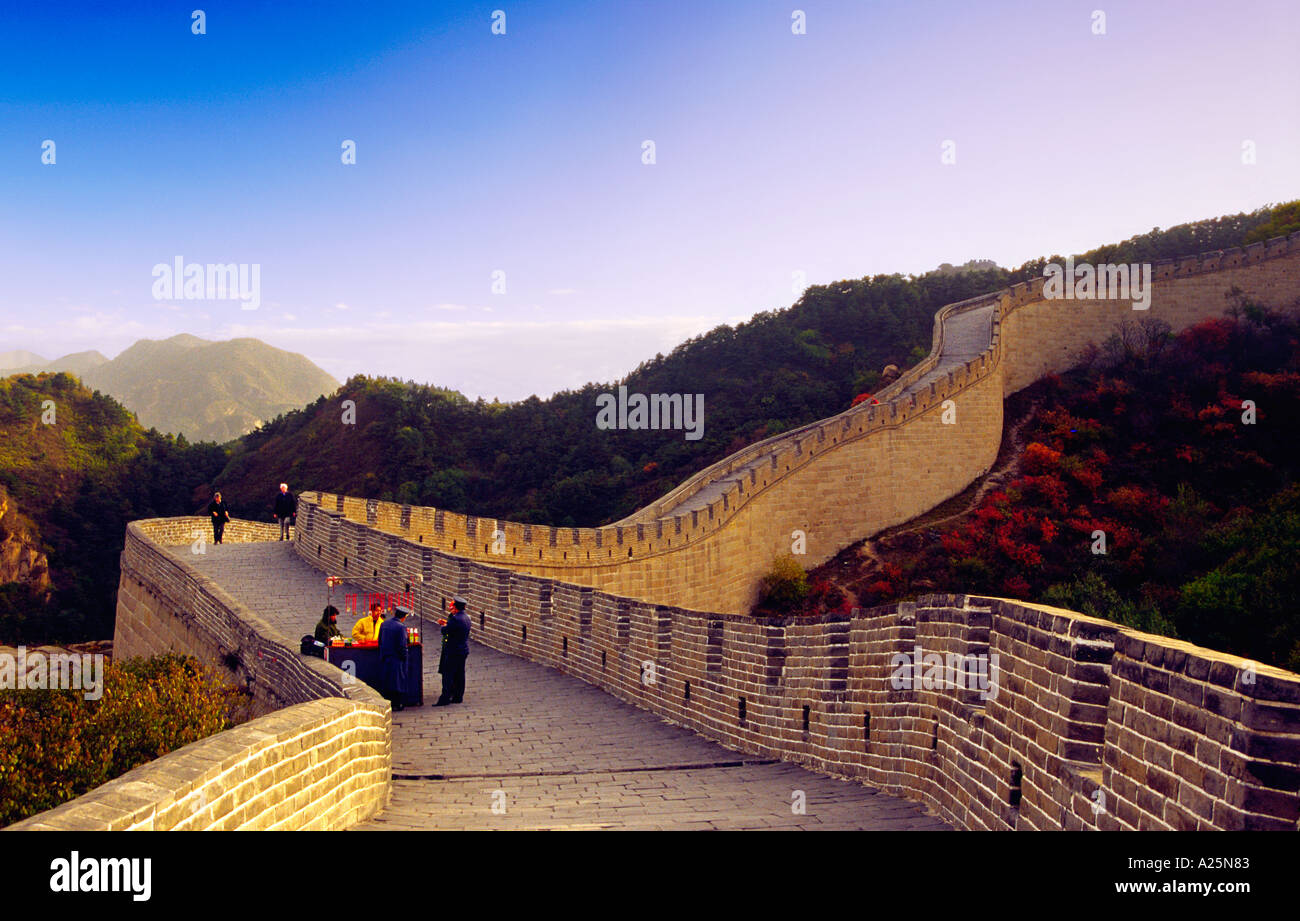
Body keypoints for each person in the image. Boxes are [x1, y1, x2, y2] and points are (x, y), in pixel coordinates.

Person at [434, 596, 471, 706]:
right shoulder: (466, 617)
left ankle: (445, 698)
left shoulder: (455, 619)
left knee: (448, 674)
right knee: (460, 674)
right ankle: (458, 697)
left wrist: (443, 625)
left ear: (455, 607)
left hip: (453, 651)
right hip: (463, 649)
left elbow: (445, 631)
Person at [377, 606, 410, 711]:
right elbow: (402, 645)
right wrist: (405, 657)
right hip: (396, 658)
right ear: (403, 617)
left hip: (385, 657)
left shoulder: (384, 624)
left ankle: (388, 702)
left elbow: (380, 641)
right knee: (398, 681)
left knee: (387, 681)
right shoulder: (401, 627)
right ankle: (398, 703)